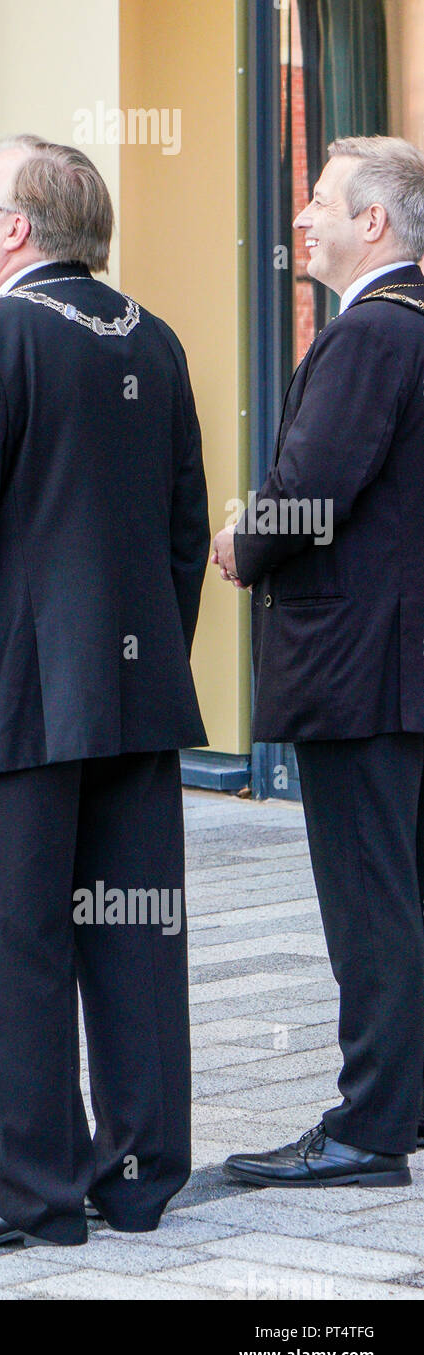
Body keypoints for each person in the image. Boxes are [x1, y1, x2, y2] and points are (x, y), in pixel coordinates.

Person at [0, 136, 209, 1248]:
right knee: (135, 932)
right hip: (132, 695)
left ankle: (34, 1189)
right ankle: (142, 1169)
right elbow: (180, 531)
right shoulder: (151, 339)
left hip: (11, 705)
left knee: (10, 942)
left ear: (17, 229)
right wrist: (153, 666)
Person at [215, 136, 424, 1190]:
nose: (302, 217)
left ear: (373, 224)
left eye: (320, 200)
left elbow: (315, 487)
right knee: (403, 889)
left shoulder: (371, 335)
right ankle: (401, 1102)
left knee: (371, 899)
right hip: (401, 666)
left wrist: (239, 544)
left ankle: (371, 1126)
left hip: (363, 668)